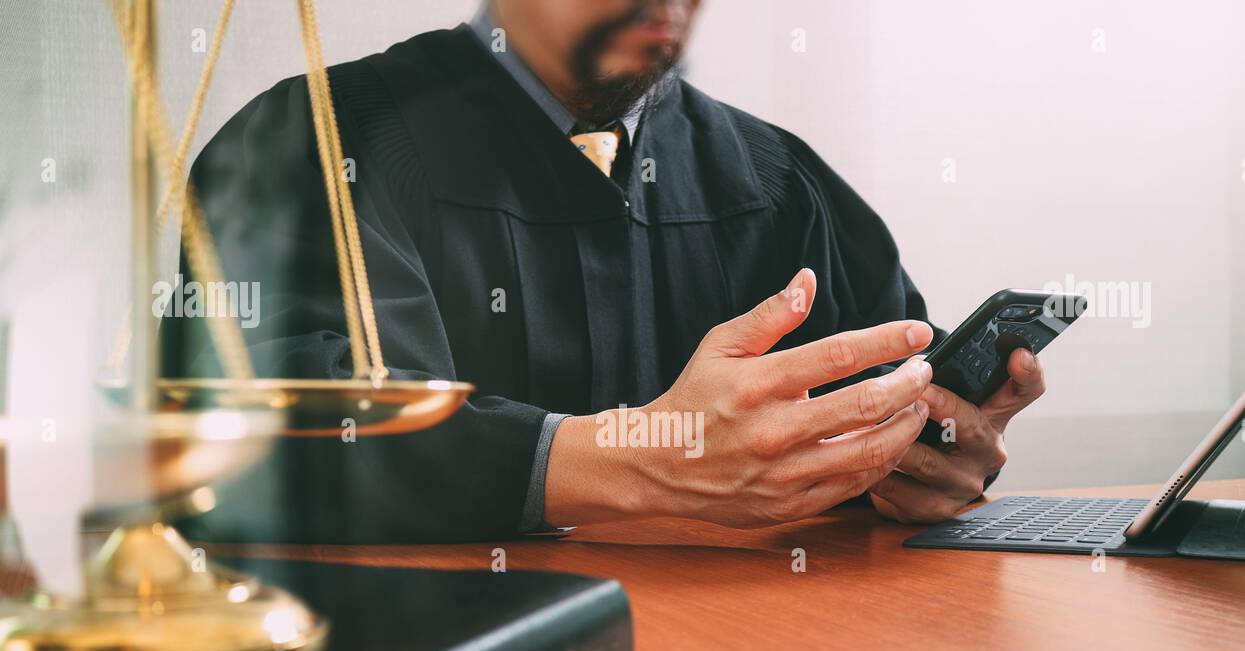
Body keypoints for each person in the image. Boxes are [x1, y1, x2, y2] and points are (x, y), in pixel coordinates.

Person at [163, 0, 1044, 544]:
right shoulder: (317, 144)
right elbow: (249, 433)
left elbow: (894, 406)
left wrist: (929, 463)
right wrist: (628, 460)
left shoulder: (777, 181)